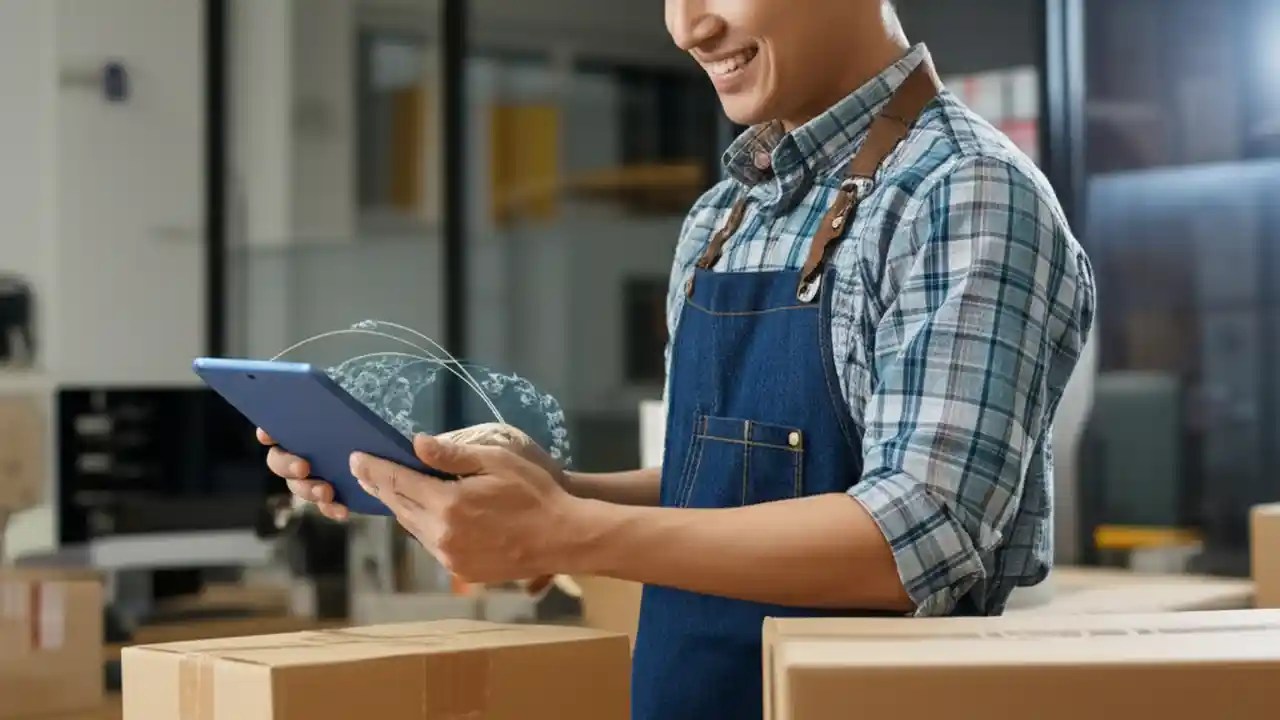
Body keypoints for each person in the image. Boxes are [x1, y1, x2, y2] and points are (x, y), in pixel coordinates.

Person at [260, 1, 1095, 718]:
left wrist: (572, 532)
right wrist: (547, 493)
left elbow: (914, 535)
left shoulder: (963, 192)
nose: (688, 26)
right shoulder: (724, 217)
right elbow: (730, 482)